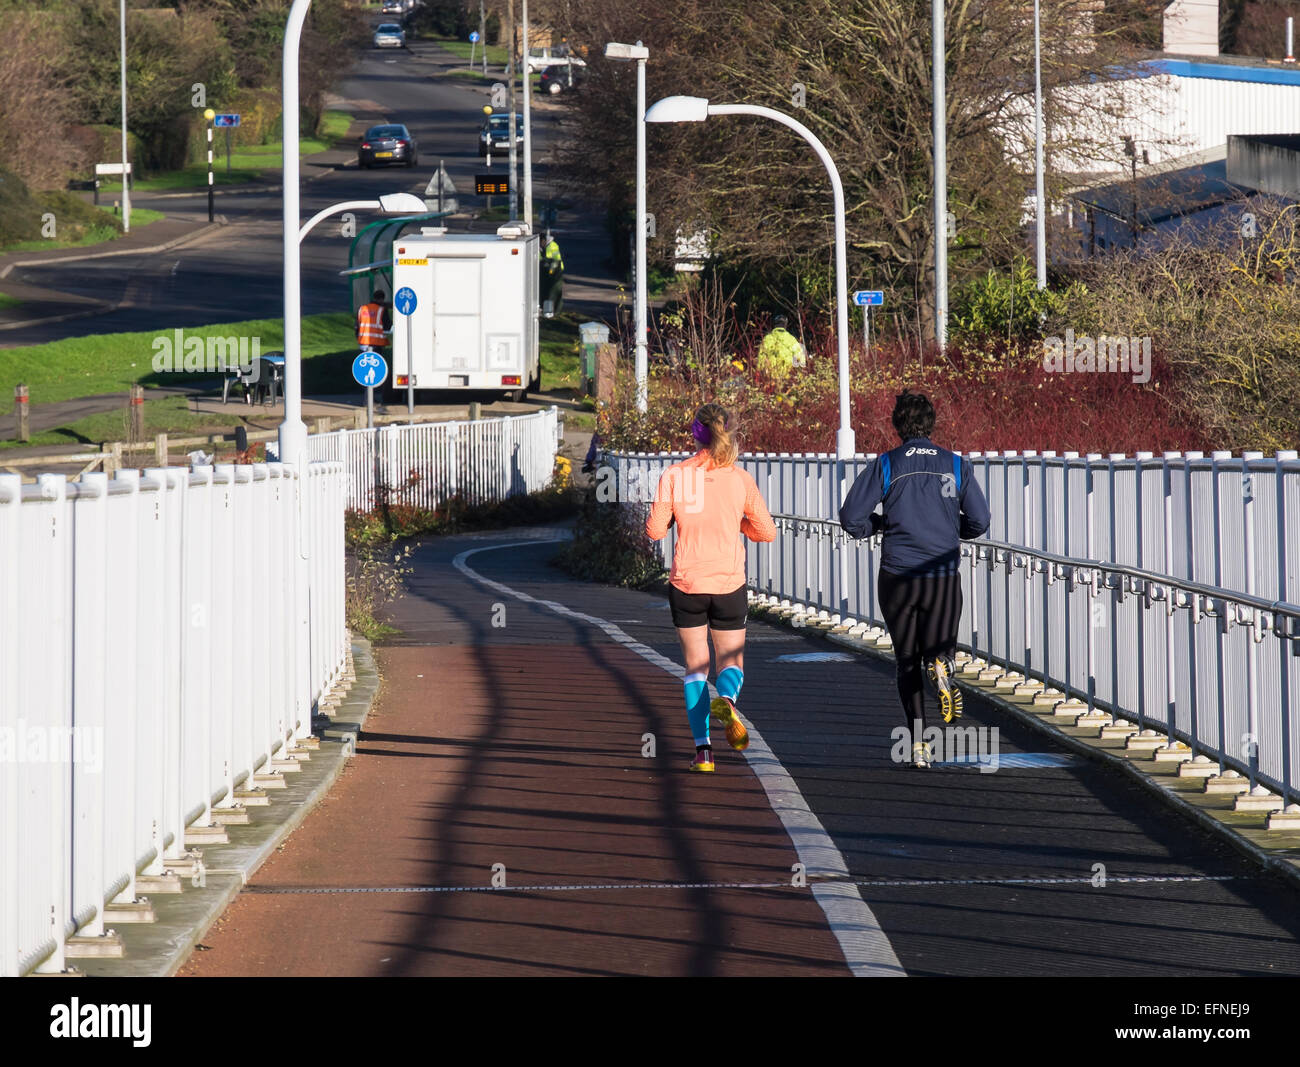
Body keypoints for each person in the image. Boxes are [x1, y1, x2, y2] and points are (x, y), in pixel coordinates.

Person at [838, 391, 990, 769]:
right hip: (940, 575)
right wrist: (951, 530)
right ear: (932, 423)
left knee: (906, 661)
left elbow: (851, 517)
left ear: (897, 425)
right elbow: (981, 521)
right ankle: (943, 662)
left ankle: (919, 745)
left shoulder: (886, 465)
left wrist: (881, 523)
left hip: (897, 575)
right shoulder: (956, 465)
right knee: (938, 647)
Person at [647, 403, 776, 773]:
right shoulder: (740, 479)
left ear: (695, 433)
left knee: (695, 668)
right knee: (730, 663)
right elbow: (767, 531)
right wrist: (738, 526)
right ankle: (730, 701)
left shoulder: (675, 476)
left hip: (687, 582)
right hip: (728, 582)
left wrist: (674, 518)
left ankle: (703, 752)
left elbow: (655, 530)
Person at [754, 314, 807, 380]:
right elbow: (800, 361)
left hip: (770, 379)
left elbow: (761, 359)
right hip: (787, 379)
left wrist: (758, 375)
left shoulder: (767, 339)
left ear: (774, 325)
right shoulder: (792, 340)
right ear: (785, 325)